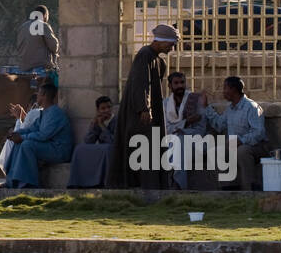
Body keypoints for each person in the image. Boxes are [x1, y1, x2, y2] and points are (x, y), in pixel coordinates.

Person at [107, 24, 179, 189]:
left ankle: (153, 187)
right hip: (140, 114)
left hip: (151, 111)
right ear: (161, 42)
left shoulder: (158, 60)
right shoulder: (144, 55)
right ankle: (140, 188)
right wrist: (143, 108)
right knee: (142, 149)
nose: (172, 47)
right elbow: (140, 84)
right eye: (171, 43)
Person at [2, 81, 72, 188]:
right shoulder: (44, 112)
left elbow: (43, 135)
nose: (37, 96)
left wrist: (22, 138)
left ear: (44, 95)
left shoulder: (55, 113)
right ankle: (12, 181)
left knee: (27, 144)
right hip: (49, 146)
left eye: (38, 94)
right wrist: (16, 133)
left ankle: (28, 183)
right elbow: (32, 129)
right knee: (18, 143)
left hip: (59, 150)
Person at [206, 76, 269, 191]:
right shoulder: (230, 109)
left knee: (242, 151)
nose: (223, 91)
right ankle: (227, 189)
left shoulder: (251, 107)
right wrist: (207, 108)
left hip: (257, 146)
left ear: (233, 89)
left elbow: (259, 132)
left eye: (225, 88)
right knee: (215, 152)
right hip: (235, 145)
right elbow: (219, 125)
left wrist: (241, 140)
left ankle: (249, 189)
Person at [162, 72, 211, 190]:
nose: (180, 86)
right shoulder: (165, 104)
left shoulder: (195, 100)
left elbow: (200, 129)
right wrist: (186, 122)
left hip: (197, 143)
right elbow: (166, 129)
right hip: (173, 142)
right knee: (176, 142)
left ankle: (177, 184)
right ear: (169, 86)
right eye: (176, 83)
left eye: (182, 82)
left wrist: (181, 132)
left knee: (178, 140)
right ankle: (177, 184)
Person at [67, 96, 114, 188]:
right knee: (79, 149)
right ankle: (78, 182)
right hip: (102, 150)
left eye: (109, 107)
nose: (106, 110)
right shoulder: (98, 120)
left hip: (112, 150)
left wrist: (102, 126)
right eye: (103, 108)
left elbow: (112, 141)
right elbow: (88, 141)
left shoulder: (116, 120)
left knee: (107, 148)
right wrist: (94, 126)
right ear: (98, 110)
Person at [14, 4, 60, 72]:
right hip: (41, 66)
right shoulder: (43, 25)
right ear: (44, 15)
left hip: (23, 67)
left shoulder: (23, 26)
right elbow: (54, 47)